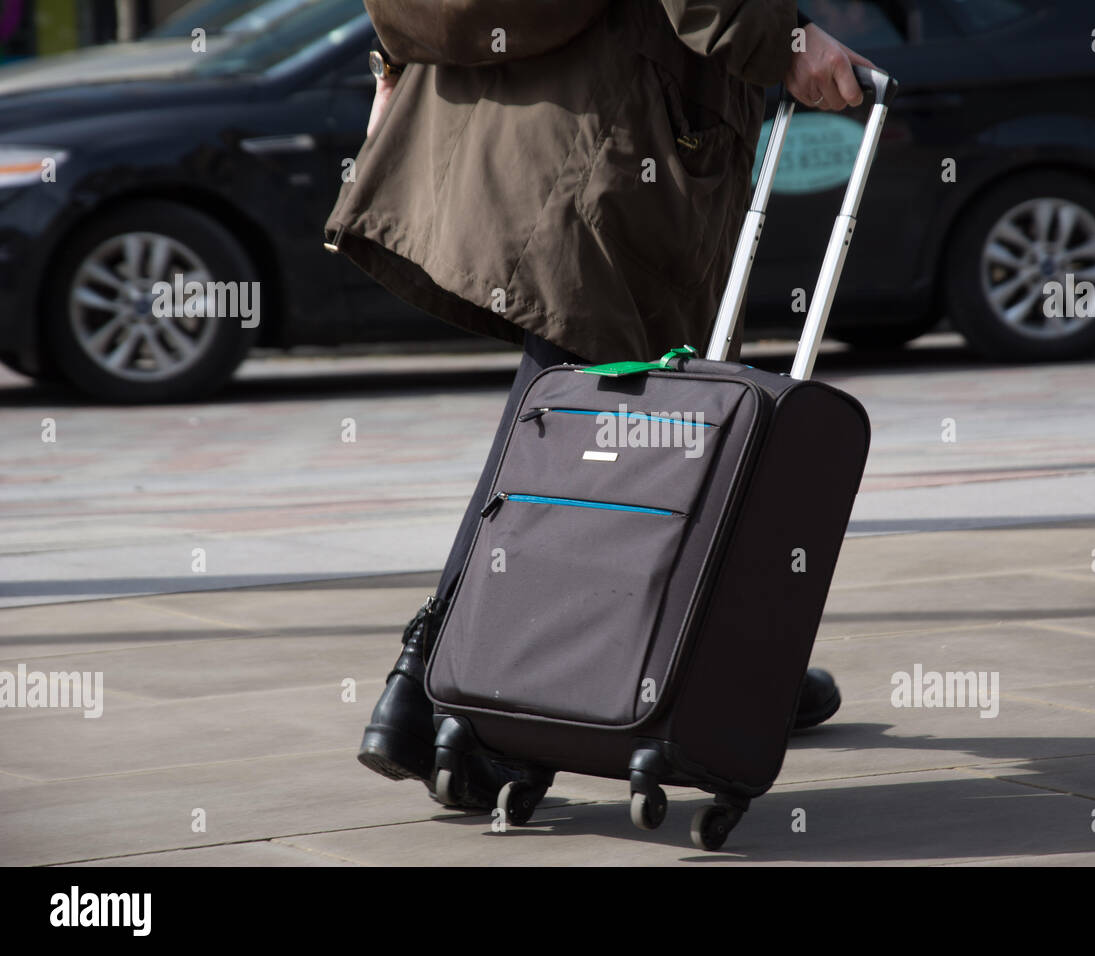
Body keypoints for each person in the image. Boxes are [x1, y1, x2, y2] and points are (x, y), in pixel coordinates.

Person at [325, 0, 876, 806]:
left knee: (633, 400)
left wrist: (394, 65)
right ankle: (444, 687)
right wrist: (785, 38)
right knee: (592, 397)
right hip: (616, 118)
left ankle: (701, 662)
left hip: (517, 100)